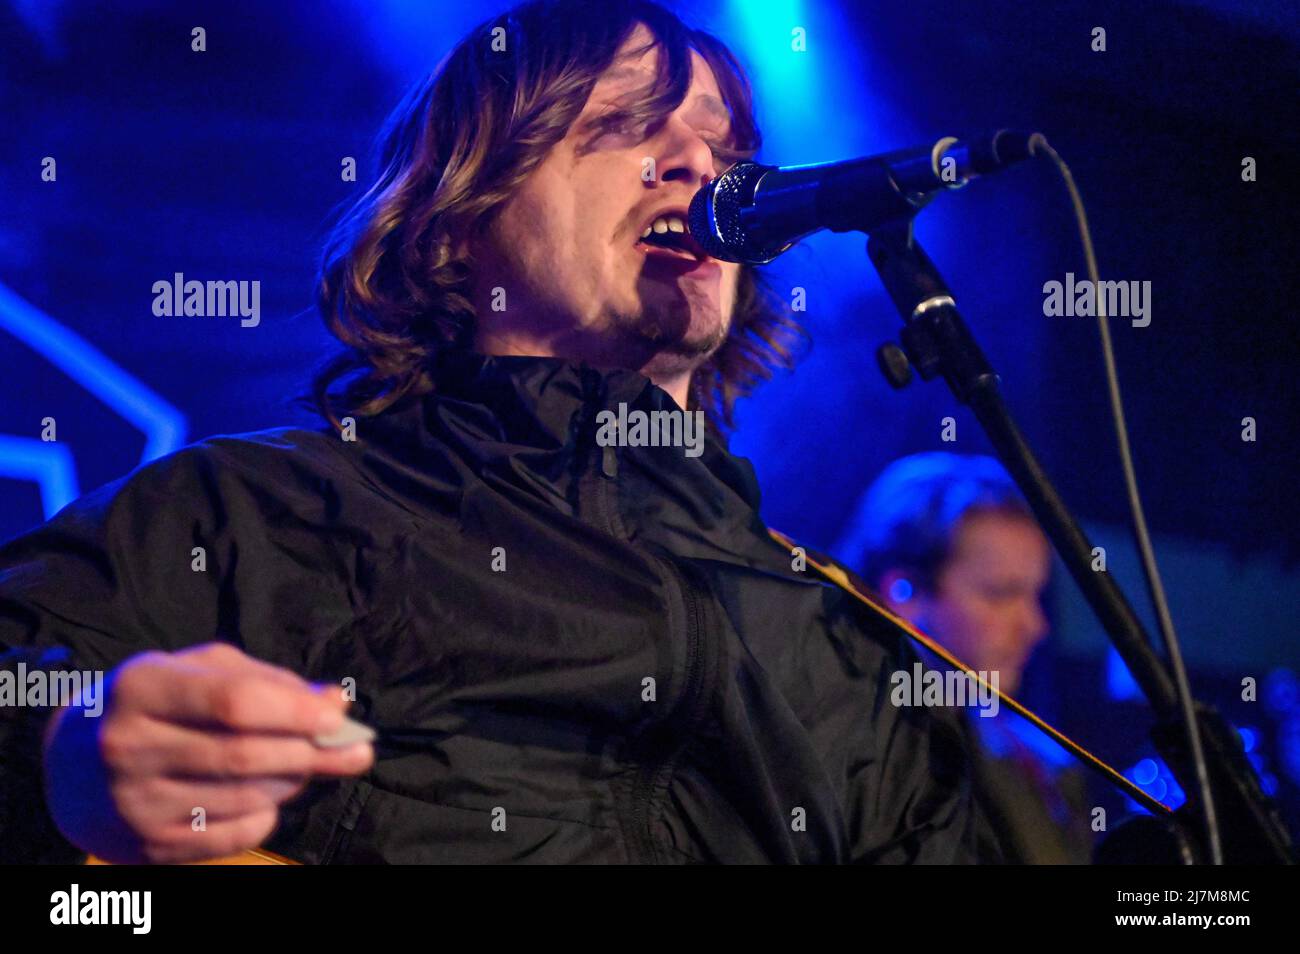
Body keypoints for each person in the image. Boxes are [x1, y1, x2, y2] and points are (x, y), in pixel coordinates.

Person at [0, 0, 988, 865]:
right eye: (625, 126)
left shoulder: (847, 644)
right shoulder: (256, 514)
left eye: (725, 153)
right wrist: (59, 758)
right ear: (454, 221)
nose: (696, 165)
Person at [836, 451, 1094, 863]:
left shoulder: (1045, 765)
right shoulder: (845, 745)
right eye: (1000, 594)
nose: (1034, 625)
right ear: (905, 593)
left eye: (1034, 594)